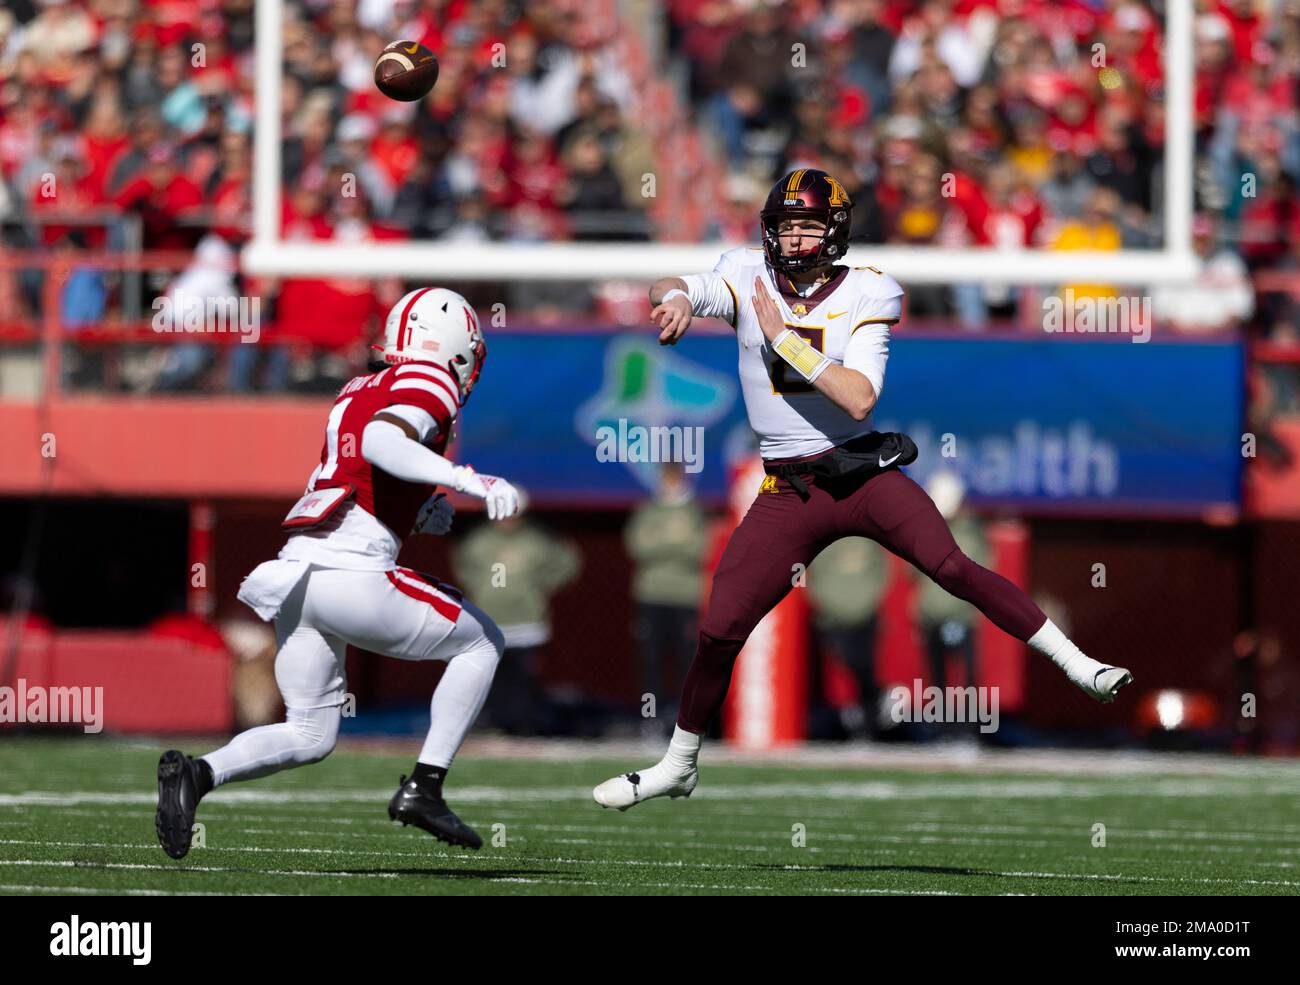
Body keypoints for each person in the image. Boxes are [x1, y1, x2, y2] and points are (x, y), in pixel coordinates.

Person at [593, 169, 1132, 810]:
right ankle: (679, 764)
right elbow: (675, 283)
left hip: (857, 473)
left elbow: (858, 399)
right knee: (719, 629)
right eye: (784, 227)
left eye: (807, 227)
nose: (793, 241)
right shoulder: (744, 272)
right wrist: (677, 297)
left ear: (835, 233)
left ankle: (1078, 665)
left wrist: (784, 341)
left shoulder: (870, 292)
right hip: (787, 486)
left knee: (951, 565)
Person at [155, 287, 521, 857]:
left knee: (311, 733)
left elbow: (356, 469)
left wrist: (419, 505)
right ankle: (425, 788)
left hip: (299, 576)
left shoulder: (360, 386)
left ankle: (196, 776)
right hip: (352, 574)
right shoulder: (430, 379)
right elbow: (381, 442)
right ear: (450, 345)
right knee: (483, 644)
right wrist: (468, 479)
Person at [452, 492, 581, 735]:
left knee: (524, 679)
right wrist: (480, 587)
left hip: (527, 621)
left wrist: (541, 587)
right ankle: (493, 723)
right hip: (489, 619)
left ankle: (524, 726)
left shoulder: (537, 540)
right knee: (489, 677)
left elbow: (566, 563)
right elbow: (463, 565)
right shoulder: (478, 540)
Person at [625, 462, 706, 734]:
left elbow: (701, 549)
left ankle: (685, 721)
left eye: (674, 477)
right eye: (665, 477)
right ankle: (650, 719)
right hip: (652, 595)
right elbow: (638, 546)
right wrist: (675, 542)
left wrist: (662, 544)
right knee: (651, 660)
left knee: (688, 661)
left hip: (686, 597)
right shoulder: (647, 510)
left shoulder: (696, 511)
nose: (669, 482)